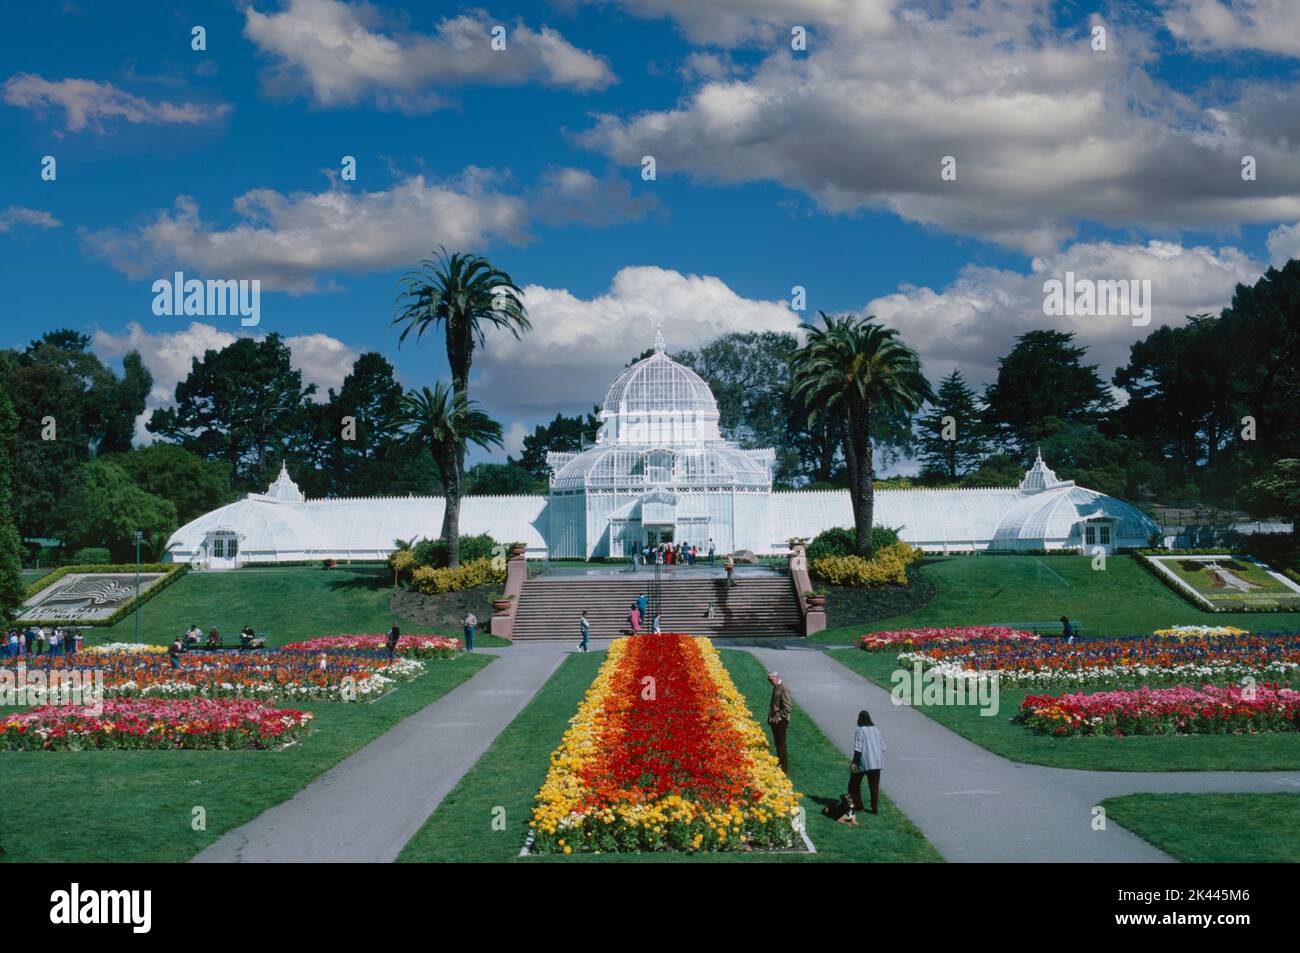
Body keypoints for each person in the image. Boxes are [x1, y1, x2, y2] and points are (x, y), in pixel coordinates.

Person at [850, 709, 885, 814]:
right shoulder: (876, 730)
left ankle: (858, 806)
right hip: (877, 763)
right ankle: (874, 809)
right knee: (874, 787)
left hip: (864, 763)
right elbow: (883, 747)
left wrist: (854, 764)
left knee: (853, 784)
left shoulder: (860, 730)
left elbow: (858, 750)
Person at [767, 671, 792, 773]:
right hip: (775, 720)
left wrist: (778, 717)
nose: (769, 681)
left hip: (781, 721)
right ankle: (779, 763)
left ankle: (783, 768)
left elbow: (788, 707)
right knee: (777, 743)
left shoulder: (784, 688)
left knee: (781, 744)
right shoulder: (776, 687)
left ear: (776, 677)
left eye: (770, 679)